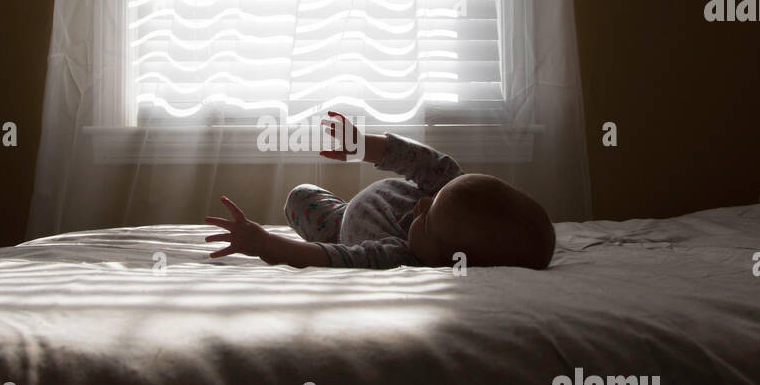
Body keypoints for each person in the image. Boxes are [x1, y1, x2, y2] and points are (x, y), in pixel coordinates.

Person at [204, 112, 556, 269]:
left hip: (340, 229)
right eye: (430, 202)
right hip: (352, 205)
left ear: (445, 261)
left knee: (299, 198)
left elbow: (325, 259)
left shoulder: (396, 256)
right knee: (302, 191)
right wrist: (361, 145)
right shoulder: (453, 187)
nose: (419, 207)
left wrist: (264, 244)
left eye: (427, 219)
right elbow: (416, 160)